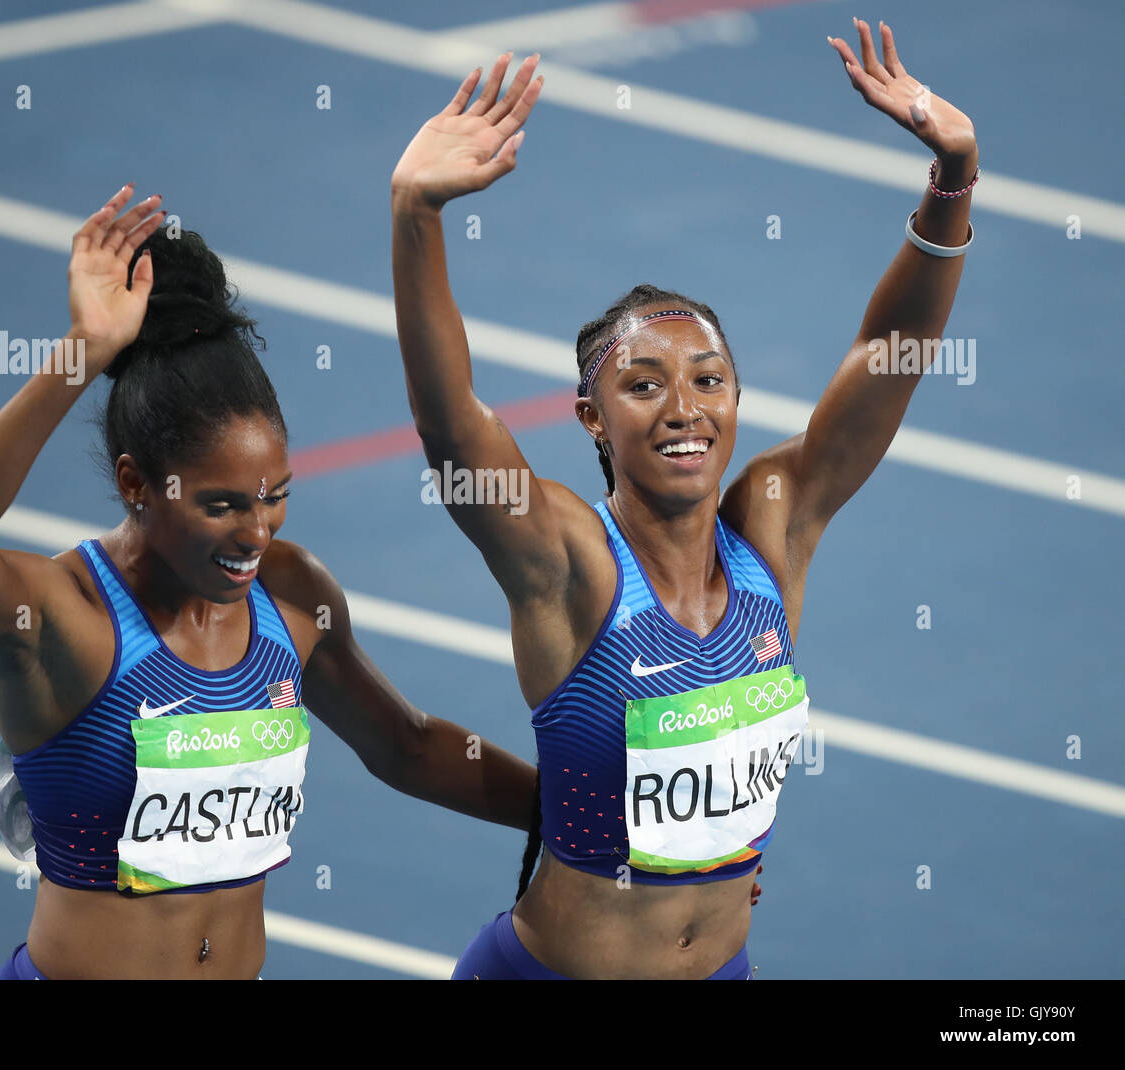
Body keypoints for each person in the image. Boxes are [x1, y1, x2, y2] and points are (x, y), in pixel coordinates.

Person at [389, 21, 977, 979]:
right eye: (645, 383)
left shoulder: (775, 528)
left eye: (708, 380)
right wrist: (416, 214)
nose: (684, 409)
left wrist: (953, 178)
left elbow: (891, 357)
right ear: (590, 416)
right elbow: (451, 428)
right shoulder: (567, 562)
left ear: (738, 400)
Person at [0, 184, 537, 979]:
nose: (257, 531)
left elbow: (405, 748)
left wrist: (575, 817)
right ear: (138, 483)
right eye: (224, 505)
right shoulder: (67, 619)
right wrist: (81, 355)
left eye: (276, 496)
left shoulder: (291, 596)